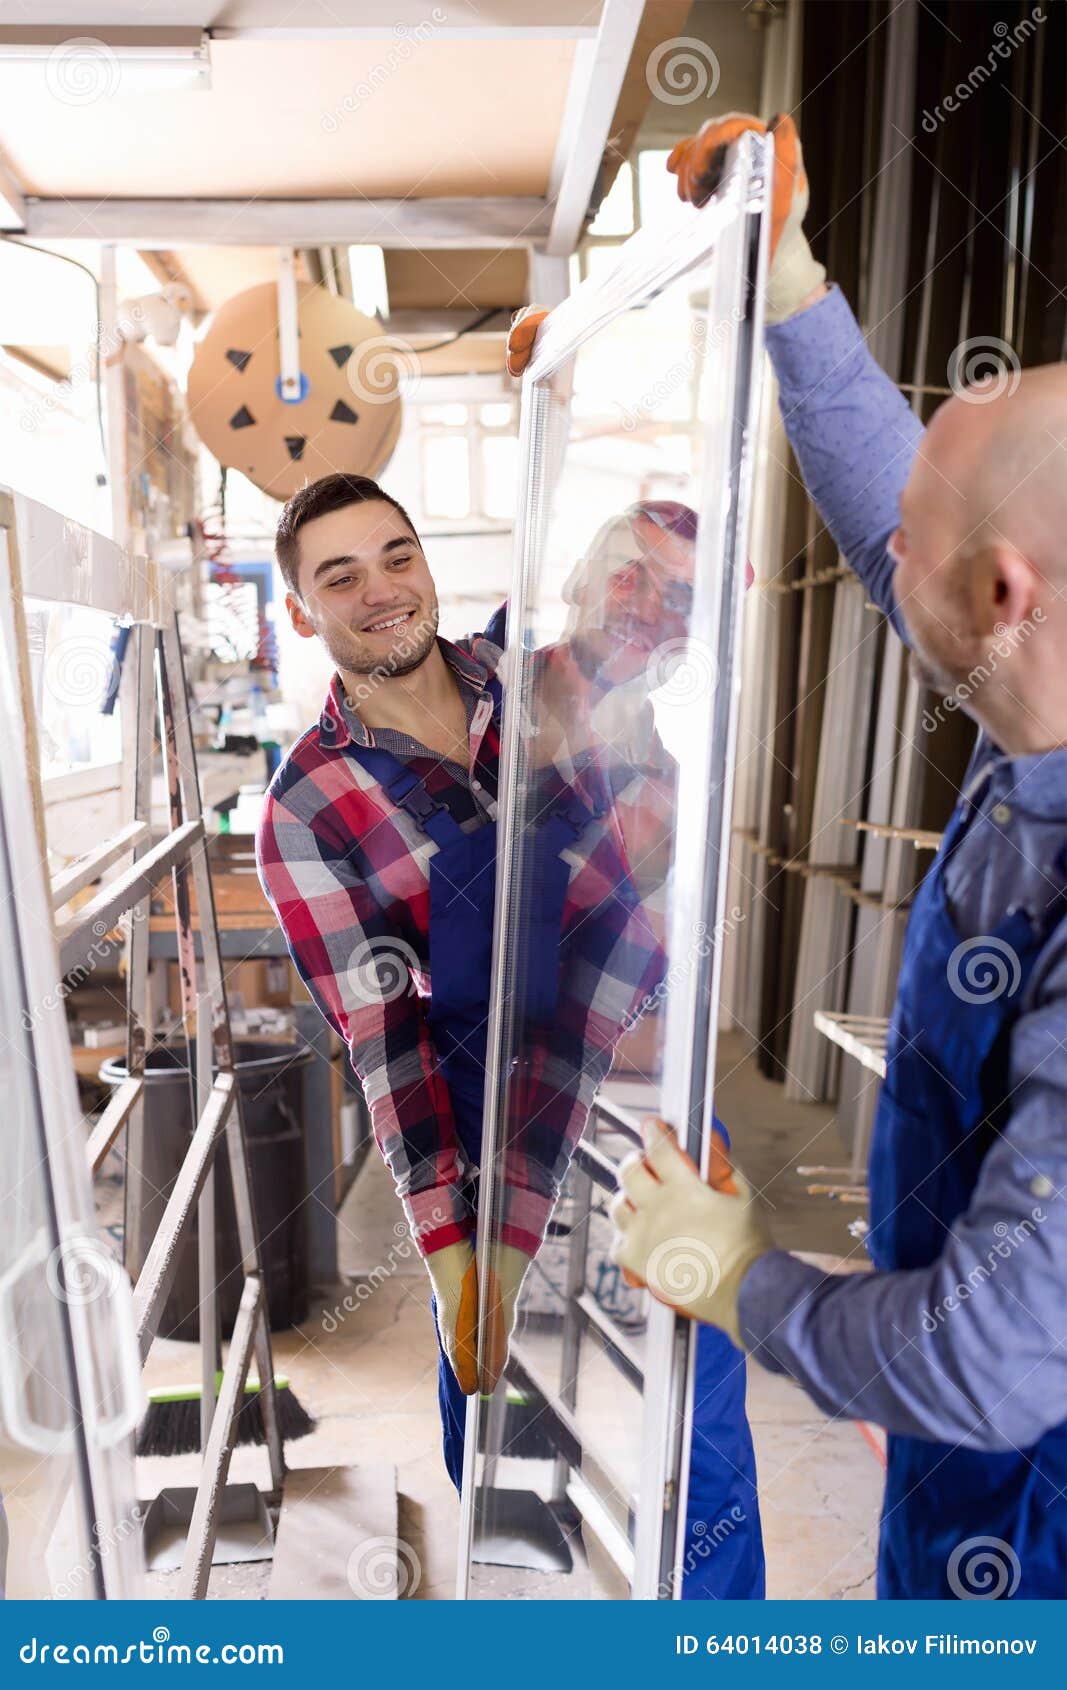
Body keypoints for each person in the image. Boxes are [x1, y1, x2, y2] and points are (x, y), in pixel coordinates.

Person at [581, 113, 1067, 1601]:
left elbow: (985, 1362)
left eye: (908, 548)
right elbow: (912, 543)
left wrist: (735, 1277)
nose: (877, 559)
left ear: (1002, 588)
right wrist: (788, 284)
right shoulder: (1029, 701)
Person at [255, 478, 765, 1597]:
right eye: (339, 575)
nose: (380, 589)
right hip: (481, 1159)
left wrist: (651, 558)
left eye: (396, 554)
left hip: (641, 1125)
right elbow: (381, 1035)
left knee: (692, 1443)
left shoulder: (544, 681)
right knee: (509, 1480)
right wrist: (454, 1262)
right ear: (300, 611)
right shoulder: (308, 808)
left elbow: (653, 638)